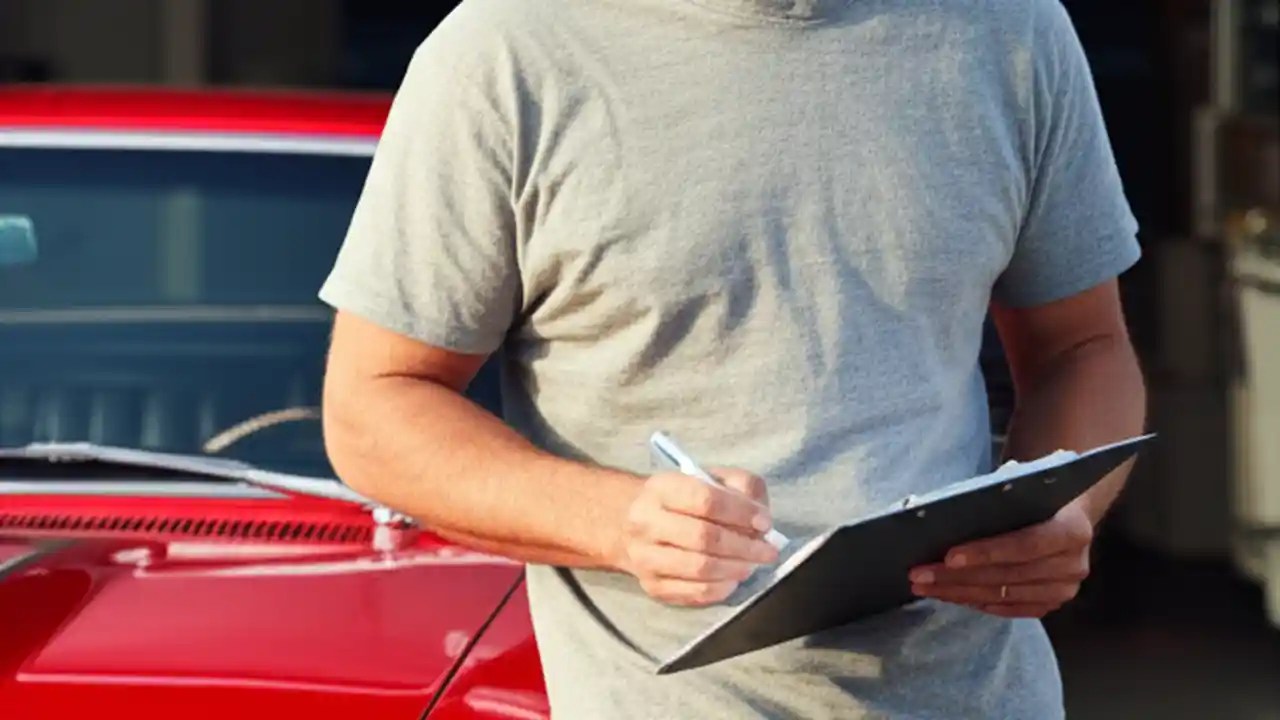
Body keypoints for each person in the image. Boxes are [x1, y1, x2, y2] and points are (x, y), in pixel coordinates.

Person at [318, 0, 1147, 717]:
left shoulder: (1011, 32)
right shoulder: (505, 51)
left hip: (983, 698)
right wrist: (619, 522)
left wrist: (1059, 512)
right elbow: (374, 405)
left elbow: (1084, 347)